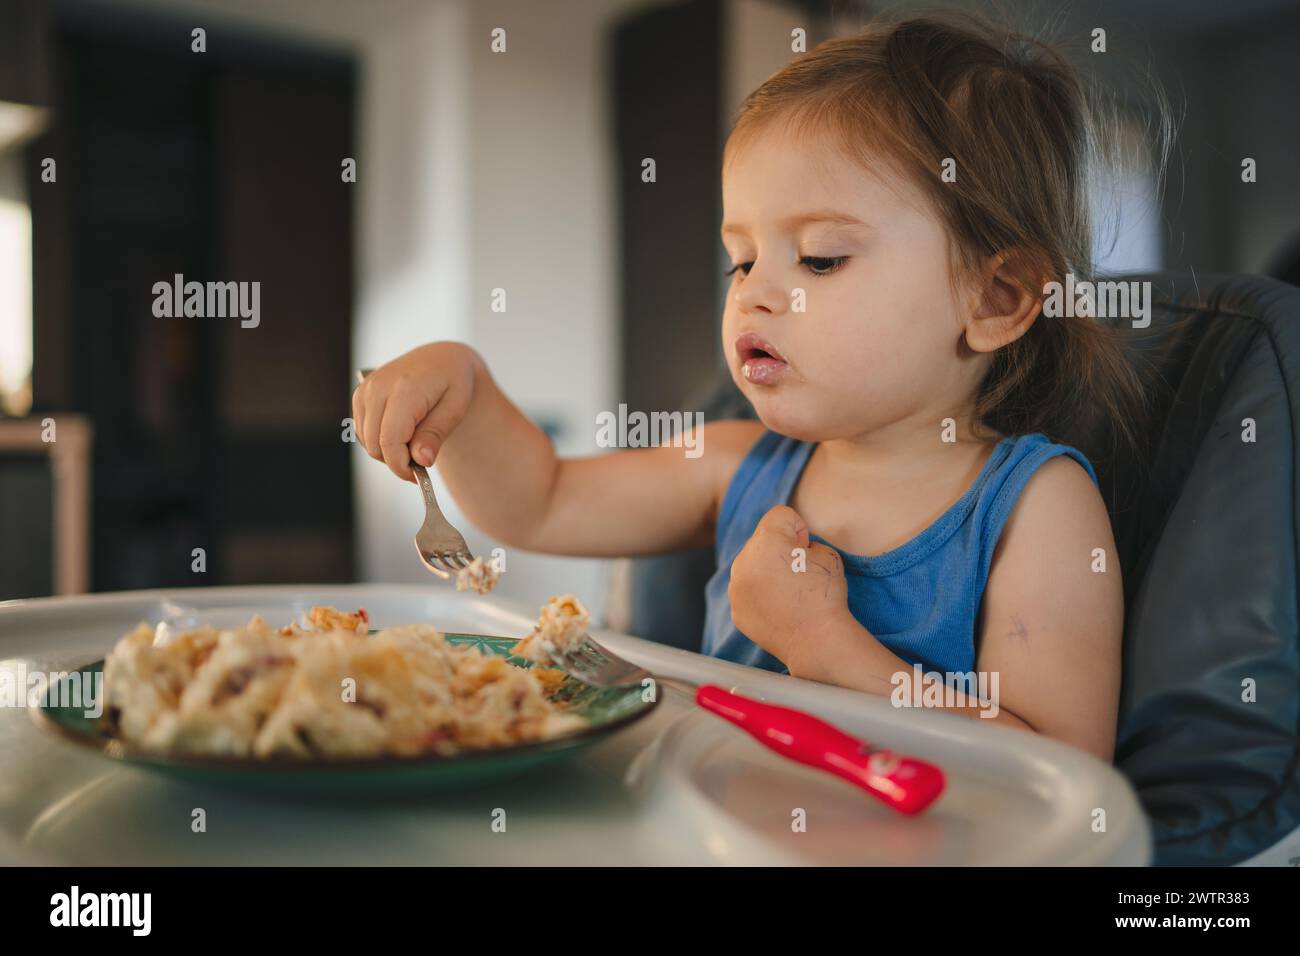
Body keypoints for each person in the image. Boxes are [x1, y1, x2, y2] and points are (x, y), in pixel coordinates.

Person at [352, 14, 1162, 761]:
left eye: (818, 258)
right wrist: (467, 387)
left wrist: (825, 648)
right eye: (741, 259)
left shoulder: (1036, 507)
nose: (754, 293)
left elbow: (1058, 769)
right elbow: (541, 499)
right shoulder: (736, 463)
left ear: (997, 299)